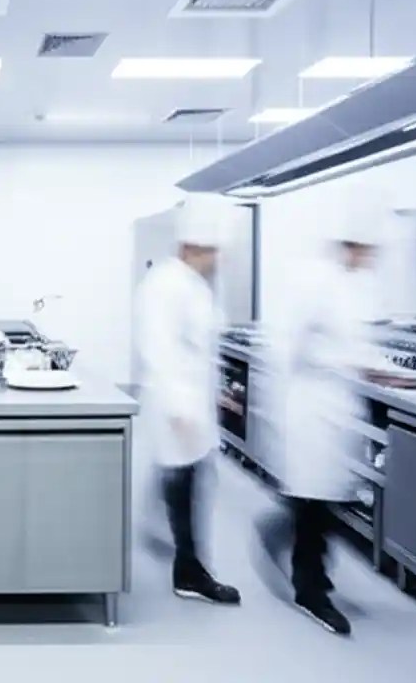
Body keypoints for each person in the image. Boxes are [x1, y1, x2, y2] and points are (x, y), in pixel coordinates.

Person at [255, 202, 388, 636]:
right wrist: (278, 411)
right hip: (310, 406)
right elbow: (285, 347)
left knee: (324, 499)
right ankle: (310, 590)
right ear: (353, 245)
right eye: (368, 250)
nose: (371, 260)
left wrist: (373, 366)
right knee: (314, 502)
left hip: (335, 407)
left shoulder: (351, 285)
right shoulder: (313, 280)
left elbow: (350, 342)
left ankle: (308, 567)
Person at [134, 195, 241, 605]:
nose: (215, 259)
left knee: (190, 485)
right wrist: (180, 408)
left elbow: (201, 349)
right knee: (184, 486)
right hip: (176, 407)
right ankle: (189, 570)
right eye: (211, 251)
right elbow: (158, 349)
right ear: (192, 247)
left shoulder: (194, 285)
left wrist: (217, 397)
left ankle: (187, 563)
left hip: (192, 405)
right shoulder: (165, 283)